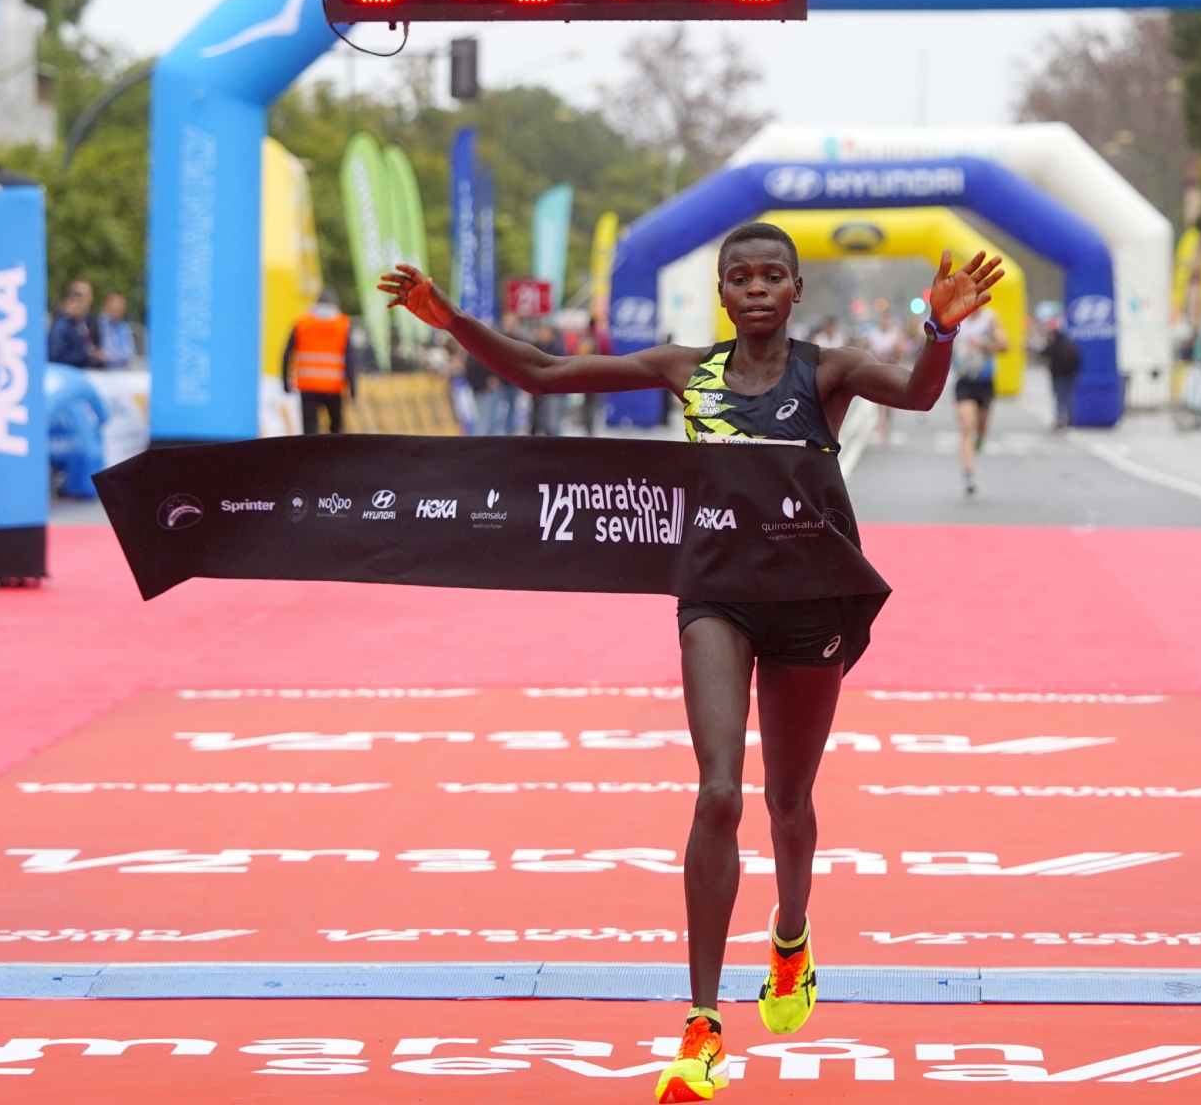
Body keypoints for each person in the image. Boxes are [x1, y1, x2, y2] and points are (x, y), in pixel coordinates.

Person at [381, 222, 1001, 1103]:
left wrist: (941, 332)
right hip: (716, 594)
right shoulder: (686, 369)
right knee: (718, 791)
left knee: (788, 800)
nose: (755, 288)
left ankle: (790, 938)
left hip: (812, 604)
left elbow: (920, 394)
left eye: (771, 276)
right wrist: (453, 322)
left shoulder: (830, 371)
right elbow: (546, 372)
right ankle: (702, 1026)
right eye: (738, 276)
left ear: (793, 292)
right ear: (721, 293)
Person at [951, 303, 1009, 494]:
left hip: (984, 381)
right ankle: (968, 473)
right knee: (967, 427)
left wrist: (983, 344)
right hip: (964, 379)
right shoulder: (957, 318)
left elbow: (1005, 346)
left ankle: (981, 439)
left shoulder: (989, 319)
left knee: (981, 428)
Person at [284, 290, 352, 434]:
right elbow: (350, 358)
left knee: (309, 430)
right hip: (333, 387)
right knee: (336, 429)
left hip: (308, 386)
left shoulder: (302, 322)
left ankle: (310, 456)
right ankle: (335, 455)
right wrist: (353, 387)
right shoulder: (342, 324)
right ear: (335, 304)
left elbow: (287, 353)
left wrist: (285, 381)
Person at [1043, 317, 1083, 430]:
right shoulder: (1069, 343)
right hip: (1069, 375)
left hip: (1059, 375)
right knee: (1068, 397)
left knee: (1060, 398)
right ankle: (1069, 419)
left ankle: (1060, 419)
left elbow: (1045, 353)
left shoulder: (1055, 345)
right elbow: (1078, 356)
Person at [48, 280, 99, 368]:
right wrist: (87, 354)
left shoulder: (80, 324)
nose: (78, 307)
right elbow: (57, 356)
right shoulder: (62, 326)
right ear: (67, 303)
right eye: (75, 302)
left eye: (80, 303)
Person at [96, 291, 136, 370]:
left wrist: (109, 356)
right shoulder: (98, 324)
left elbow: (129, 354)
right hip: (100, 371)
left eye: (120, 308)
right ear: (106, 306)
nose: (118, 310)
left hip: (119, 372)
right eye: (115, 307)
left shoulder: (123, 327)